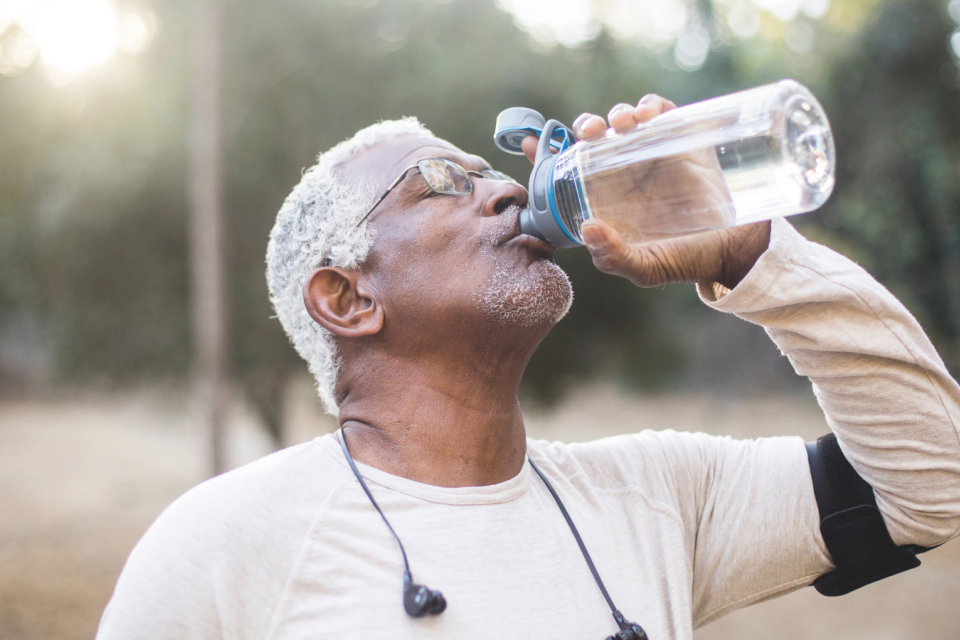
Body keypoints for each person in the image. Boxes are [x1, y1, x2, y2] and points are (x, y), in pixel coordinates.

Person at [97, 96, 960, 640]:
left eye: (491, 170)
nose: (509, 190)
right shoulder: (222, 545)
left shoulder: (661, 500)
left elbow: (932, 482)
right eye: (440, 181)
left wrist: (751, 254)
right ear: (348, 298)